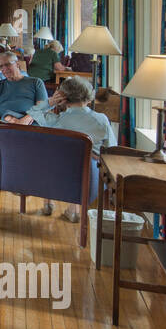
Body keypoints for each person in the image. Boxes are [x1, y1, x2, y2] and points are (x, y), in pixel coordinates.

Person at [27, 75, 115, 220]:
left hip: (56, 176)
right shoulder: (101, 120)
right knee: (87, 161)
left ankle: (48, 202)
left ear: (63, 99)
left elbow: (33, 112)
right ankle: (74, 209)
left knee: (52, 157)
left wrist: (50, 102)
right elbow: (111, 148)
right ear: (89, 97)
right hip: (89, 178)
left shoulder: (55, 121)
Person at [0, 48, 49, 128]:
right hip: (5, 125)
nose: (4, 69)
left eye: (7, 64)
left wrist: (26, 119)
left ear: (17, 64)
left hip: (31, 122)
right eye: (1, 66)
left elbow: (42, 107)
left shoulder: (35, 82)